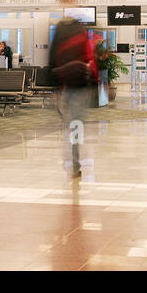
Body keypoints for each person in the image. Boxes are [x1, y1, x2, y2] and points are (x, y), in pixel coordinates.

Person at [51, 17, 97, 178]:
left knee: (72, 125)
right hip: (79, 88)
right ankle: (74, 159)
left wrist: (56, 88)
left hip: (70, 87)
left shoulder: (60, 34)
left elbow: (52, 62)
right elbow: (91, 60)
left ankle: (73, 158)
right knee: (76, 125)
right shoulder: (81, 33)